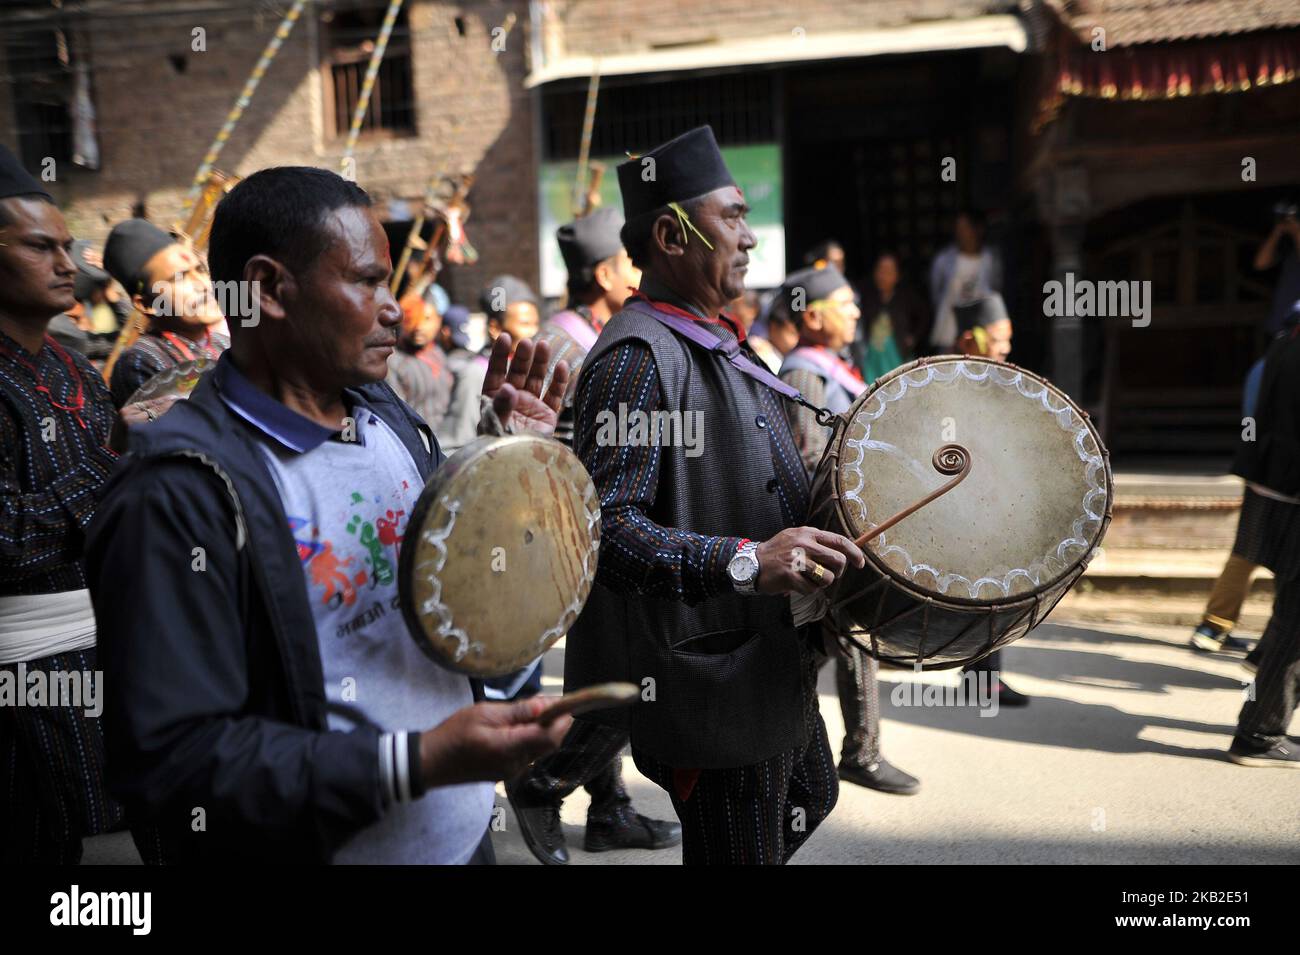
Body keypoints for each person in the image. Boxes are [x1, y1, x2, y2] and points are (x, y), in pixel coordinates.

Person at [85, 166, 574, 863]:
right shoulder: (176, 492)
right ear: (266, 288)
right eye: (367, 281)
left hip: (463, 840)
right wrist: (412, 762)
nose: (394, 308)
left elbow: (451, 588)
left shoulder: (390, 421)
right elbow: (171, 760)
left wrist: (510, 466)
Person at [563, 126, 866, 865]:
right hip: (713, 678)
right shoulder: (638, 357)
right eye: (732, 216)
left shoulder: (716, 338)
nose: (750, 236)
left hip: (767, 659)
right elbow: (608, 532)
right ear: (672, 233)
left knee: (810, 796)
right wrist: (747, 561)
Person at [505, 207, 680, 865]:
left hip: (607, 519)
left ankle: (610, 810)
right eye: (630, 263)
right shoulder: (561, 341)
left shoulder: (601, 330)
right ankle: (541, 781)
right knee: (629, 676)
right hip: (575, 528)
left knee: (613, 669)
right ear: (605, 271)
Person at [0, 144, 125, 863]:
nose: (65, 263)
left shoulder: (75, 369)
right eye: (39, 246)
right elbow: (9, 541)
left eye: (67, 246)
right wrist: (112, 467)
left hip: (107, 647)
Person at [776, 264, 920, 795]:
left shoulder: (835, 367)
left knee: (844, 639)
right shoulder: (804, 375)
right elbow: (809, 463)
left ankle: (856, 751)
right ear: (812, 315)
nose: (857, 311)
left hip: (848, 532)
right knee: (820, 645)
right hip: (825, 533)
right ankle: (833, 755)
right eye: (845, 302)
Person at [1223, 319, 1300, 767]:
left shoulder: (1285, 339)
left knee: (1290, 615)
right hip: (1290, 494)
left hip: (1277, 488)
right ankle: (1258, 733)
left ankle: (1262, 723)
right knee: (1294, 623)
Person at [955, 292, 1028, 706]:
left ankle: (983, 676)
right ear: (971, 338)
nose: (1006, 348)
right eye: (998, 339)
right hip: (967, 501)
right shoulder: (950, 377)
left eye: (1007, 339)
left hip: (994, 499)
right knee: (985, 591)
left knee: (997, 590)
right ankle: (981, 678)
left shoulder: (994, 377)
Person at [102, 218, 228, 407]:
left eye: (200, 270)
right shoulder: (140, 361)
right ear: (146, 304)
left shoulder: (223, 343)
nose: (202, 285)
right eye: (179, 278)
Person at [439, 277, 541, 452]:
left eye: (536, 324)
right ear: (496, 328)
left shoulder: (534, 371)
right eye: (525, 324)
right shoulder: (475, 373)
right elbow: (456, 444)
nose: (534, 332)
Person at [929, 210, 1001, 351]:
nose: (961, 233)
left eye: (965, 228)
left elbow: (995, 290)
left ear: (978, 229)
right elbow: (936, 292)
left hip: (981, 331)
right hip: (949, 331)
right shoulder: (944, 260)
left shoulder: (991, 259)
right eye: (958, 228)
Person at [852, 251, 927, 382]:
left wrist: (913, 337)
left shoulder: (906, 295)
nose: (883, 276)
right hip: (872, 356)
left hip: (898, 353)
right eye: (880, 270)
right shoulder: (865, 295)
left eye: (889, 271)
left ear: (897, 275)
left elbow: (924, 316)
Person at [386, 286, 452, 431]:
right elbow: (397, 417)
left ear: (438, 321)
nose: (418, 326)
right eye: (411, 319)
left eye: (427, 319)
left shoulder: (438, 353)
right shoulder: (393, 362)